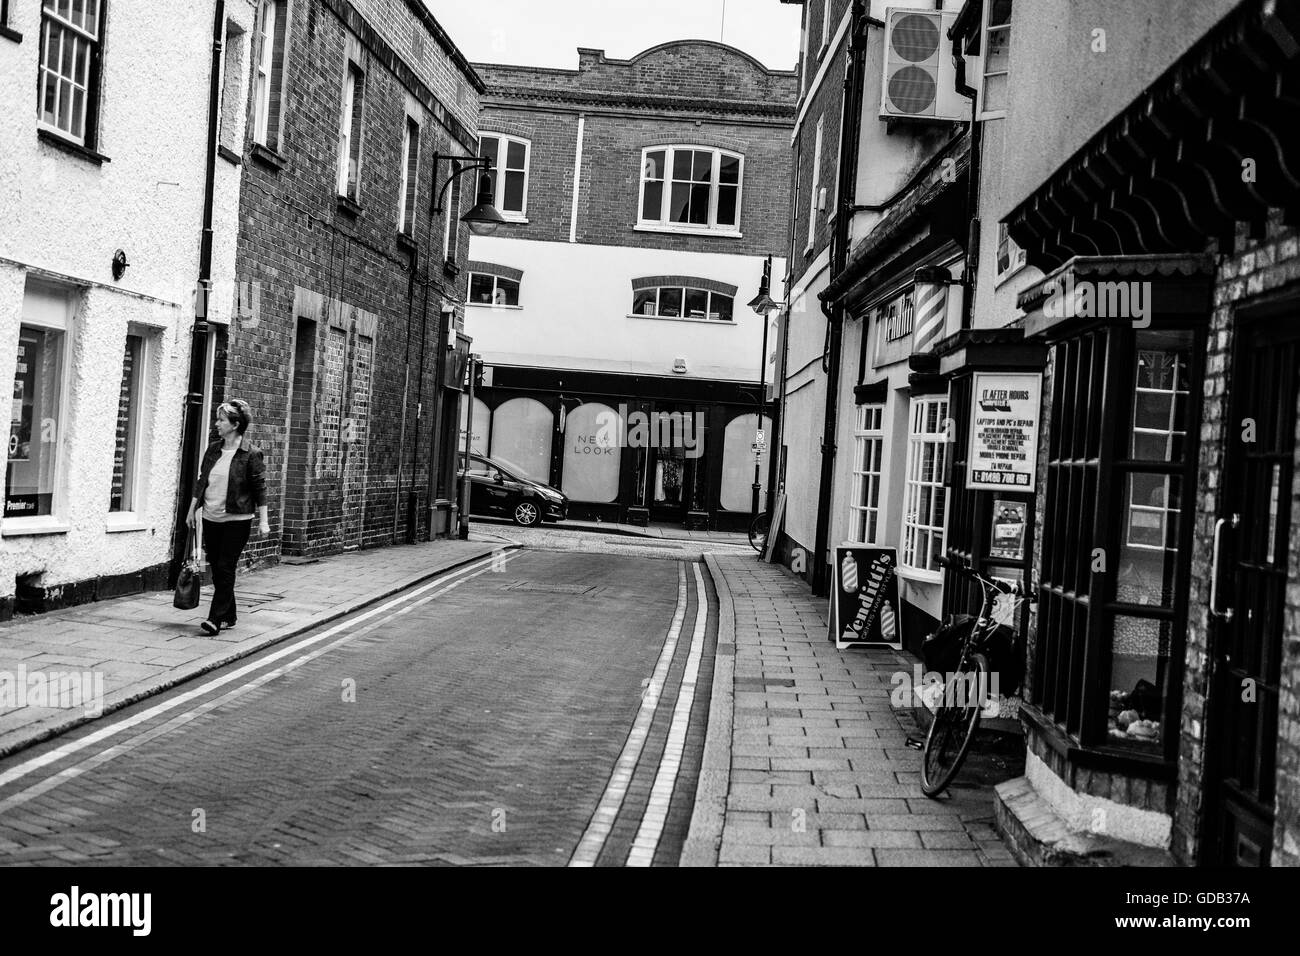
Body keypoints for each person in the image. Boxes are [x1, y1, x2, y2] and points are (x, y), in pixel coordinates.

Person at [185, 399, 269, 634]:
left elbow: (260, 488)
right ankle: (229, 614)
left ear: (235, 424)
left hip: (237, 520)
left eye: (221, 420)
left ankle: (214, 619)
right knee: (220, 569)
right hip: (211, 518)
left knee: (225, 566)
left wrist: (264, 521)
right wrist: (192, 509)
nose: (217, 423)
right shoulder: (213, 449)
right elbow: (203, 480)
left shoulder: (251, 454)